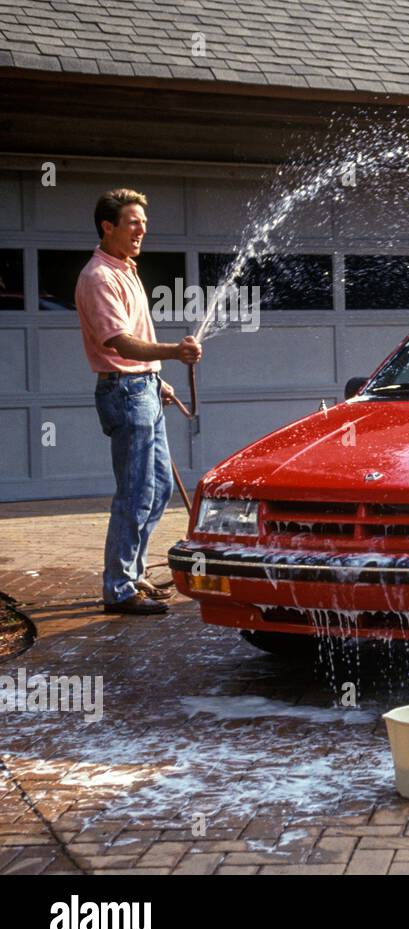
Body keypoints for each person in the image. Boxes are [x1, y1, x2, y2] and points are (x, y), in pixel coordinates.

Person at [77, 188, 202, 615]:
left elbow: (134, 344)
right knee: (134, 493)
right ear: (107, 226)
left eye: (143, 222)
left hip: (142, 387)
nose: (141, 229)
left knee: (159, 487)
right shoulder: (99, 277)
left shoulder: (126, 270)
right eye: (132, 222)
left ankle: (131, 573)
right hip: (125, 393)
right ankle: (119, 589)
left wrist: (159, 379)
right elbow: (118, 342)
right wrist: (172, 353)